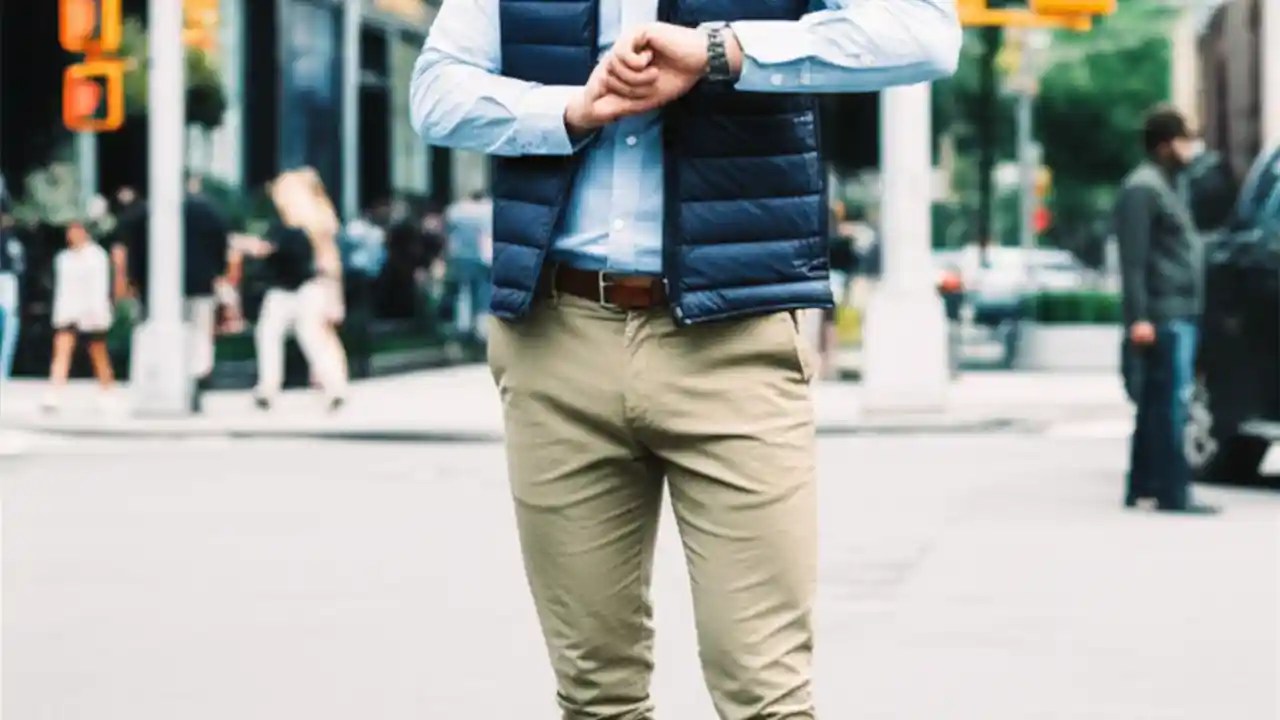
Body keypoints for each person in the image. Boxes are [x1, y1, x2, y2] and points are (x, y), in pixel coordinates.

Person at [412, 3, 961, 717]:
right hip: (556, 336)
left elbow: (924, 33)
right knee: (595, 696)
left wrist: (722, 51)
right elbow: (436, 91)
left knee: (766, 695)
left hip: (734, 339)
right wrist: (568, 110)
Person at [1115, 106, 1219, 515]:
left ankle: (1143, 485)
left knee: (1157, 404)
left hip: (1178, 310)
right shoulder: (1143, 189)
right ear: (1164, 145)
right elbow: (1133, 260)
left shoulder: (1169, 186)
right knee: (1169, 406)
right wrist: (1139, 317)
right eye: (1183, 140)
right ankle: (1173, 492)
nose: (1190, 148)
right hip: (1163, 313)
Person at [241, 169, 348, 411]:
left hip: (301, 286)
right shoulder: (314, 221)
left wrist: (334, 296)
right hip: (306, 287)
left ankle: (270, 387)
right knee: (310, 336)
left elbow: (328, 262)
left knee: (280, 334)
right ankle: (333, 387)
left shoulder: (304, 224)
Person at [44, 221, 116, 411]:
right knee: (62, 350)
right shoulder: (63, 258)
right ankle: (54, 392)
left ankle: (106, 389)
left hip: (92, 313)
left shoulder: (97, 256)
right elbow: (62, 289)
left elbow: (99, 287)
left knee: (98, 353)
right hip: (69, 311)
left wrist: (98, 313)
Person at [444, 190, 493, 343]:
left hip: (459, 256)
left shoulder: (455, 210)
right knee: (483, 293)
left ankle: (463, 326)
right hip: (482, 256)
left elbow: (447, 233)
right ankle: (481, 329)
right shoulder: (488, 209)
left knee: (463, 291)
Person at [0, 203, 25, 384]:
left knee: (10, 324)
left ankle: (3, 369)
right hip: (7, 278)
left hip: (8, 279)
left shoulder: (13, 239)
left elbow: (20, 266)